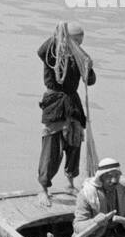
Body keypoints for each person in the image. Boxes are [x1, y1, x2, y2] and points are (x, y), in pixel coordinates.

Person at [36, 21, 94, 205]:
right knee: (51, 148)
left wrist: (89, 66)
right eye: (75, 40)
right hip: (55, 104)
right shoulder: (53, 54)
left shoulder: (78, 57)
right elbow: (41, 51)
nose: (78, 44)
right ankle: (43, 188)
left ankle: (70, 183)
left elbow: (90, 80)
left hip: (73, 104)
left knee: (74, 144)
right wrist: (58, 34)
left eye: (80, 41)